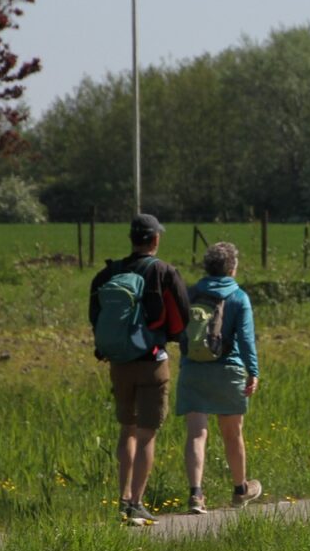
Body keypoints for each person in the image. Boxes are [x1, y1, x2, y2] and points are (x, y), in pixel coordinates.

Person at [89, 214, 191, 525]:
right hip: (152, 361)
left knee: (127, 431)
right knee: (147, 434)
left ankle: (122, 500)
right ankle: (136, 502)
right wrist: (166, 338)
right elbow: (181, 317)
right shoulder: (162, 271)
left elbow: (95, 317)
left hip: (119, 362)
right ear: (156, 239)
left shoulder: (108, 273)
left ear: (131, 239)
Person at [176, 241, 262, 513]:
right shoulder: (238, 296)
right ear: (232, 267)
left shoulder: (191, 293)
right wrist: (253, 370)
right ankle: (240, 490)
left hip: (193, 368)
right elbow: (246, 339)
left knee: (196, 433)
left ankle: (196, 495)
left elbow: (181, 332)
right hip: (228, 369)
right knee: (232, 433)